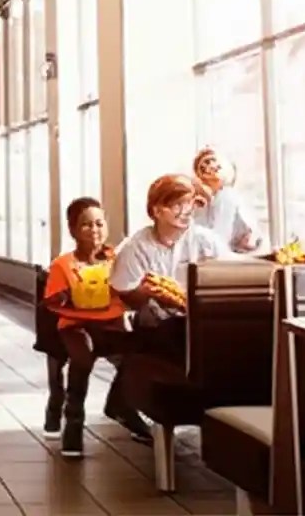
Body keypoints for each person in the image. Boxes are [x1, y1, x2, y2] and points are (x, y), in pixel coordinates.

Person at [108, 174, 230, 437]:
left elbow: (228, 277)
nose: (186, 212)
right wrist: (152, 295)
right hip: (155, 321)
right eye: (177, 205)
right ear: (156, 210)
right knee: (169, 329)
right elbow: (123, 292)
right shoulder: (136, 247)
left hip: (202, 318)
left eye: (190, 204)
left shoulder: (206, 241)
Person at [43, 197, 132, 458]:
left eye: (99, 223)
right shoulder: (63, 264)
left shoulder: (116, 258)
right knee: (82, 356)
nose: (94, 230)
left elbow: (125, 291)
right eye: (85, 225)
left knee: (135, 354)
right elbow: (51, 301)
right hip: (75, 324)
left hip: (109, 322)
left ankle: (120, 406)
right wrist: (67, 297)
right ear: (72, 230)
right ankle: (73, 422)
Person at [192, 147, 261, 253]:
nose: (210, 166)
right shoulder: (203, 205)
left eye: (213, 161)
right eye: (203, 166)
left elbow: (220, 239)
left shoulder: (227, 195)